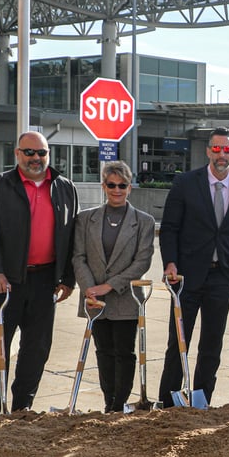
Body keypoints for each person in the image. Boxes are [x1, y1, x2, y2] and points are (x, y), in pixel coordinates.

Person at [0, 131, 78, 413]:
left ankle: (22, 408)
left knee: (37, 350)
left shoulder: (64, 187)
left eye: (41, 153)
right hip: (5, 282)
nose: (36, 158)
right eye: (29, 152)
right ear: (17, 154)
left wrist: (68, 279)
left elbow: (71, 237)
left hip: (45, 282)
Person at [158, 127, 229, 406]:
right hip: (185, 278)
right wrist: (170, 263)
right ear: (207, 150)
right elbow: (170, 228)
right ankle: (169, 403)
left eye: (227, 150)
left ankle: (201, 401)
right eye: (216, 148)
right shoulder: (186, 183)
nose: (221, 154)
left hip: (221, 279)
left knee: (211, 346)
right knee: (178, 344)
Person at [72, 161, 156, 412]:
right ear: (103, 186)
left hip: (126, 298)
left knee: (124, 352)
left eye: (122, 185)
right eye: (111, 185)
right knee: (103, 351)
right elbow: (78, 256)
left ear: (130, 188)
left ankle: (119, 403)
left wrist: (108, 286)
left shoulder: (144, 221)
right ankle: (108, 400)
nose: (116, 190)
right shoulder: (86, 219)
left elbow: (142, 261)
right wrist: (89, 287)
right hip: (94, 299)